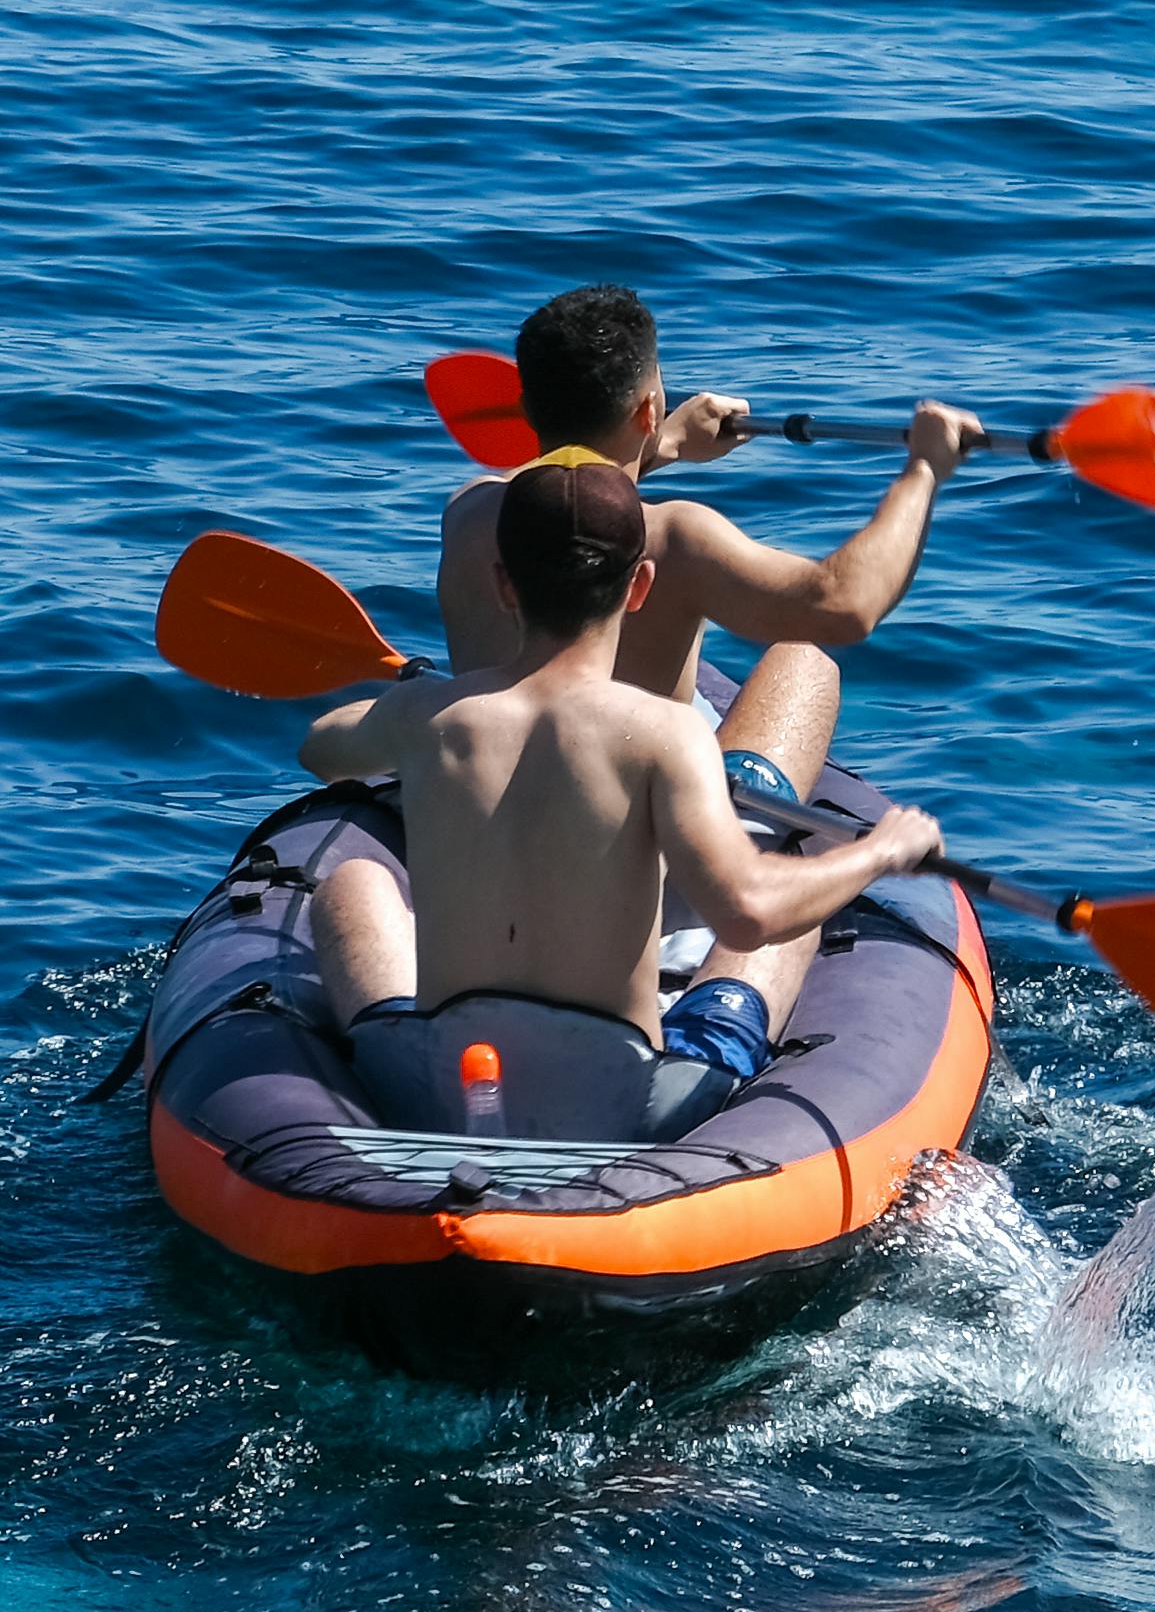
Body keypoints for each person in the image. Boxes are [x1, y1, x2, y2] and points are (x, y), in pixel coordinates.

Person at [298, 459, 941, 1143]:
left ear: (502, 584)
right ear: (639, 587)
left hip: (439, 1077)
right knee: (790, 911)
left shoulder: (427, 716)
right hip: (621, 1099)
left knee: (354, 880)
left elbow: (320, 747)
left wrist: (416, 702)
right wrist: (877, 852)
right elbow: (748, 911)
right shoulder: (665, 733)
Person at [453, 282, 986, 706]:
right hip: (627, 807)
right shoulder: (674, 539)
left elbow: (564, 494)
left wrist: (667, 445)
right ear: (648, 409)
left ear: (525, 411)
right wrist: (923, 470)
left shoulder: (469, 512)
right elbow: (842, 607)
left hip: (483, 783)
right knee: (804, 667)